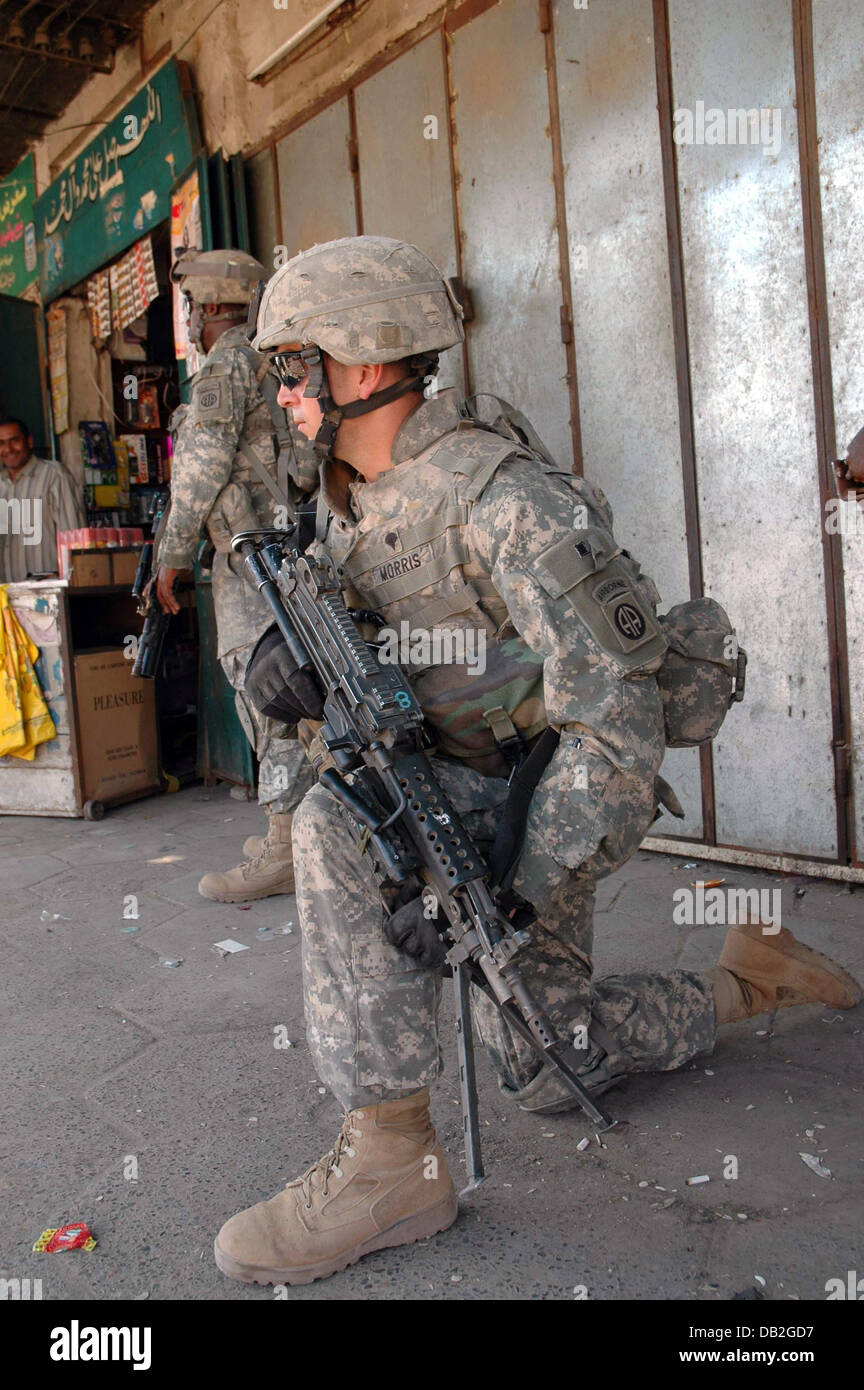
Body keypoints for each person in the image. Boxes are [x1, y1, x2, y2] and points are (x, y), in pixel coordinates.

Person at [213, 235, 861, 1287]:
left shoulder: (505, 500)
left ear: (364, 364)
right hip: (440, 781)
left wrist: (500, 897)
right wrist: (282, 684)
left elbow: (616, 733)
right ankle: (398, 1152)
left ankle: (399, 1161)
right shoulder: (344, 500)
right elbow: (360, 699)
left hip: (532, 803)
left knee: (544, 1058)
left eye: (296, 365)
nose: (283, 392)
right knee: (543, 1044)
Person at [153, 249, 318, 902]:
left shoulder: (227, 362)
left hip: (252, 559)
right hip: (289, 549)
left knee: (268, 694)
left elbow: (201, 463)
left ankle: (286, 849)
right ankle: (299, 830)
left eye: (193, 306)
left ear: (218, 304)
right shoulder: (279, 356)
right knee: (295, 690)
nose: (189, 320)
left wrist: (171, 553)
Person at [0, 417, 85, 582]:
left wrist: (73, 584)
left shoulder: (54, 475)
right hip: (7, 595)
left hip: (49, 590)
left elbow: (73, 537)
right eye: (1, 443)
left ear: (29, 442)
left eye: (14, 440)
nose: (8, 449)